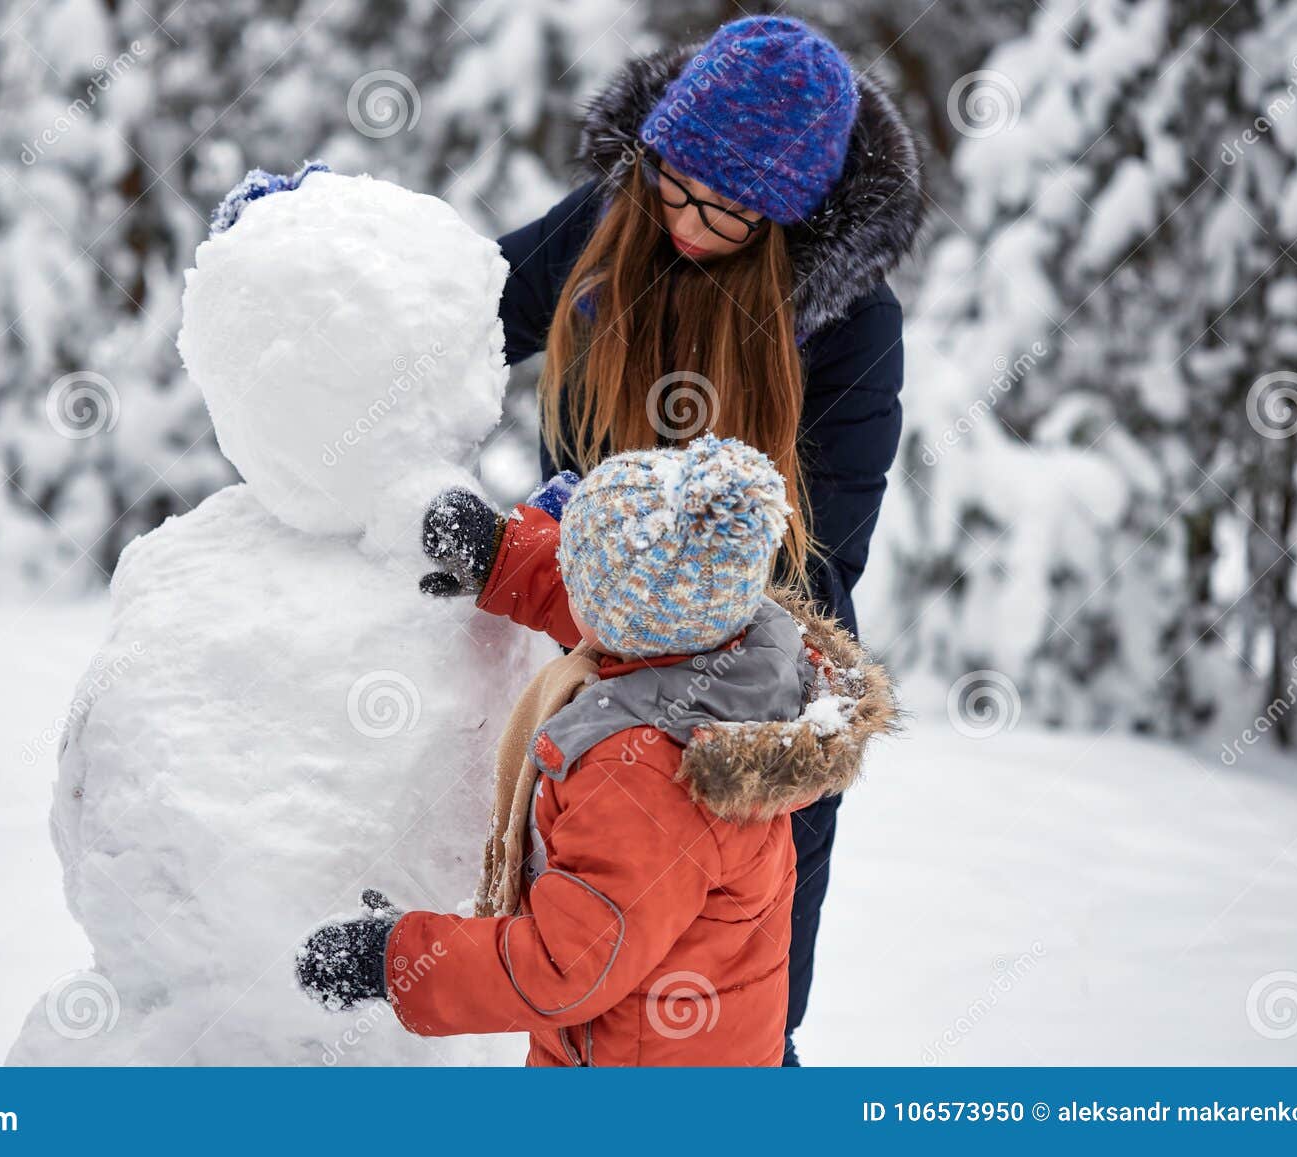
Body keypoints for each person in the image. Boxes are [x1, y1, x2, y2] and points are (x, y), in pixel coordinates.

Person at [427, 14, 923, 1063]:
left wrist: (599, 534)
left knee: (722, 1035)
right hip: (590, 689)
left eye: (728, 211)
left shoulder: (849, 329)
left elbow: (813, 567)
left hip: (740, 723)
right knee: (575, 1020)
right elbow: (462, 311)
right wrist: (333, 253)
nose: (688, 222)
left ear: (787, 219)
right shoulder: (626, 213)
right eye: (673, 186)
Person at [295, 436, 894, 1066]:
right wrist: (505, 556)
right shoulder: (742, 647)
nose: (574, 595)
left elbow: (563, 967)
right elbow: (632, 604)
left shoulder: (639, 779)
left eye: (576, 571)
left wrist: (400, 961)